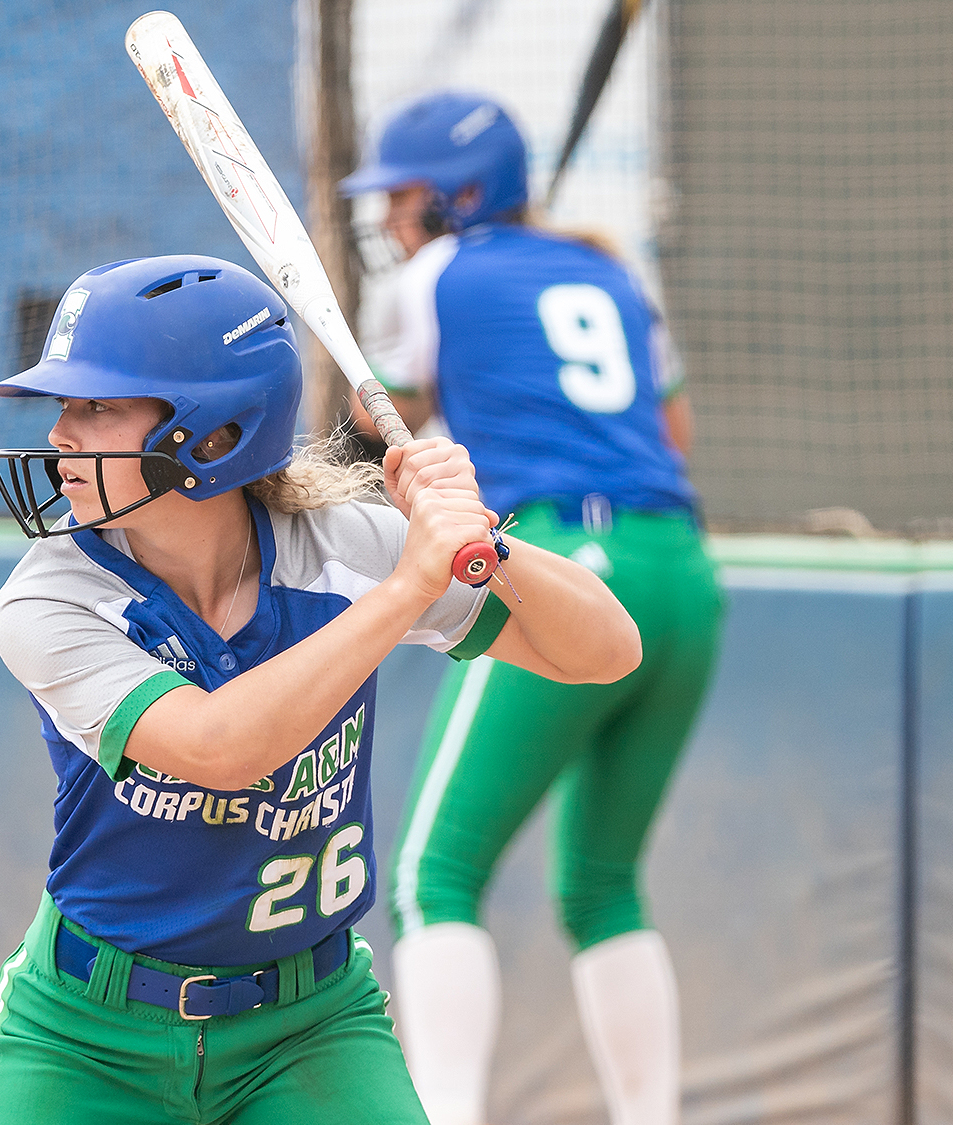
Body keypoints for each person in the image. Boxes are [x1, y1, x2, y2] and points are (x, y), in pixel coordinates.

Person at [0, 253, 641, 1124]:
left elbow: (605, 650)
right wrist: (407, 586)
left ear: (211, 435)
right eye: (64, 405)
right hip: (88, 1030)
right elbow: (221, 748)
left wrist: (486, 541)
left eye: (98, 405)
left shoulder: (341, 547)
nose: (62, 433)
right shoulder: (51, 595)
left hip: (308, 1026)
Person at [338, 92, 724, 1125]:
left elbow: (379, 424)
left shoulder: (431, 279)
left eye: (403, 196)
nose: (388, 218)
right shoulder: (609, 268)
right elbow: (671, 430)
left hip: (562, 555)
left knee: (433, 873)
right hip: (682, 567)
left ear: (460, 195)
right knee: (601, 883)